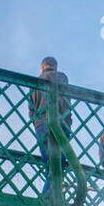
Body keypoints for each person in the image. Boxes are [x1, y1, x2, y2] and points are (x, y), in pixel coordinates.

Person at [28, 57, 73, 196]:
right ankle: (47, 200)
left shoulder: (34, 83)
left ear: (42, 67)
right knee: (58, 166)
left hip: (41, 125)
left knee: (49, 165)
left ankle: (49, 198)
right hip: (58, 124)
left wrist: (37, 123)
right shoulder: (60, 77)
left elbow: (31, 109)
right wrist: (67, 123)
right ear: (56, 67)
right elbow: (64, 101)